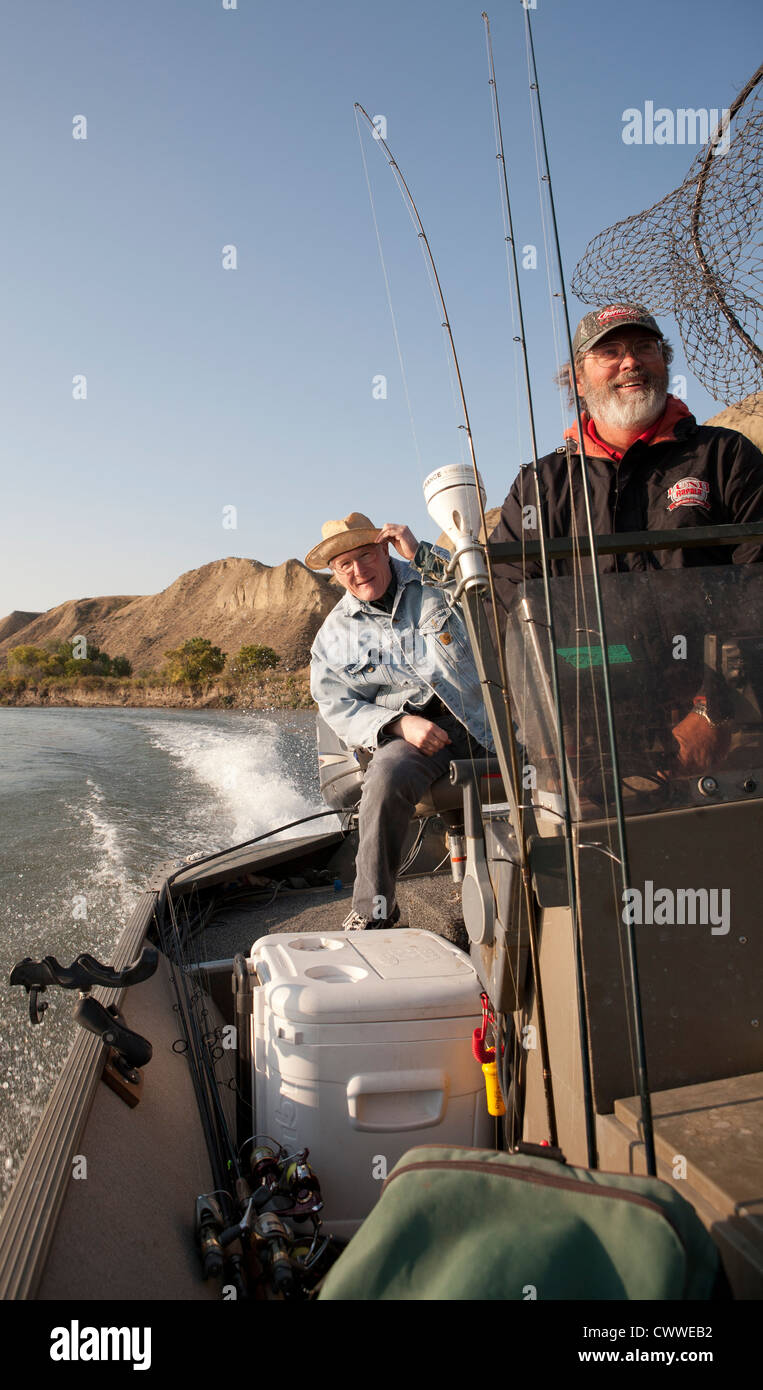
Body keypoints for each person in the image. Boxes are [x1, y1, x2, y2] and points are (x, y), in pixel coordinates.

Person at [489, 303, 763, 772]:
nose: (630, 362)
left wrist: (715, 708)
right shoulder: (540, 485)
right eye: (609, 351)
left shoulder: (726, 456)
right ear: (578, 379)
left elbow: (756, 584)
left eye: (644, 348)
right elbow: (505, 606)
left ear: (664, 361)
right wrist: (549, 725)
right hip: (587, 743)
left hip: (726, 729)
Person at [305, 512, 493, 930]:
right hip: (413, 736)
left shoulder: (436, 579)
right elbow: (336, 704)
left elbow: (488, 595)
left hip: (487, 718)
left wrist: (424, 554)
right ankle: (376, 911)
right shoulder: (332, 637)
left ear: (386, 548)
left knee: (561, 751)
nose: (359, 570)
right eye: (345, 565)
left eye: (366, 554)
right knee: (386, 777)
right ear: (335, 573)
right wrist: (397, 725)